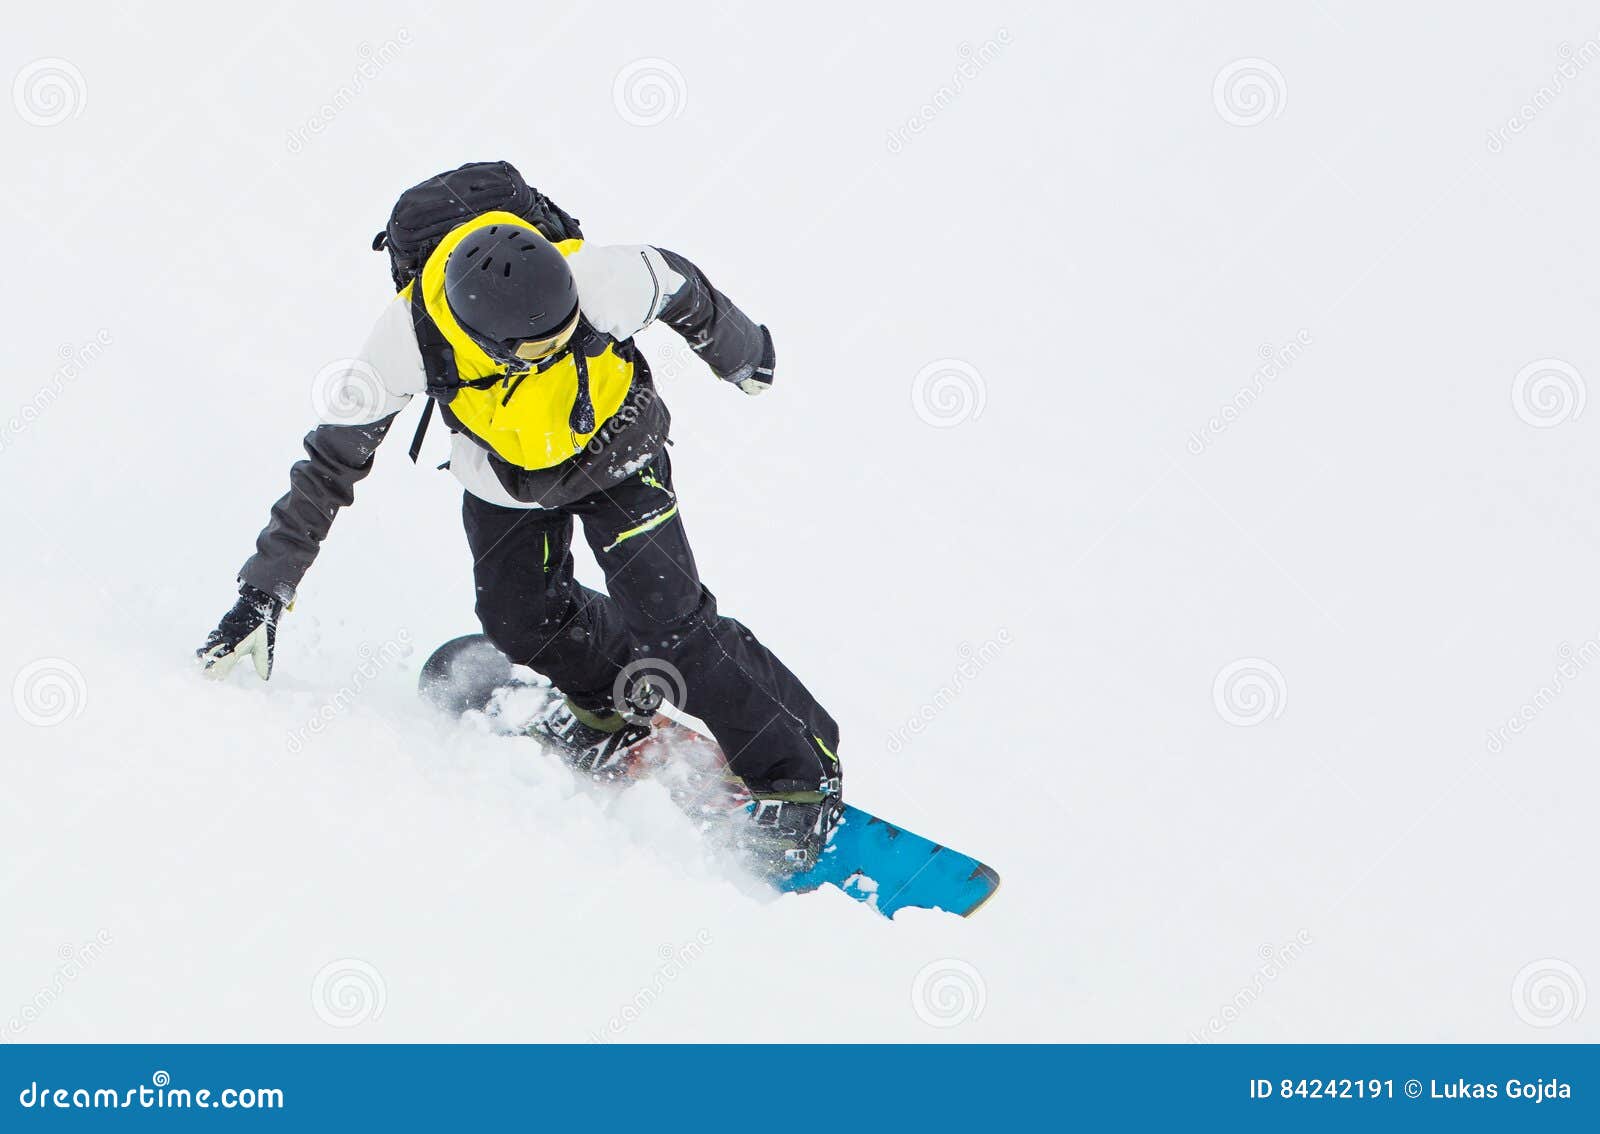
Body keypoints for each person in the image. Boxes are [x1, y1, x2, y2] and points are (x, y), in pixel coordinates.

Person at [197, 162, 842, 866]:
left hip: (621, 454)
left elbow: (684, 288)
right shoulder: (405, 342)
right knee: (517, 616)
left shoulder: (603, 279)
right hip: (504, 478)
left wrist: (746, 355)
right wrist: (262, 592)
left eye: (567, 332)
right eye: (538, 349)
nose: (559, 347)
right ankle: (608, 702)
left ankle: (801, 776)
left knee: (673, 626)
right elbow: (329, 466)